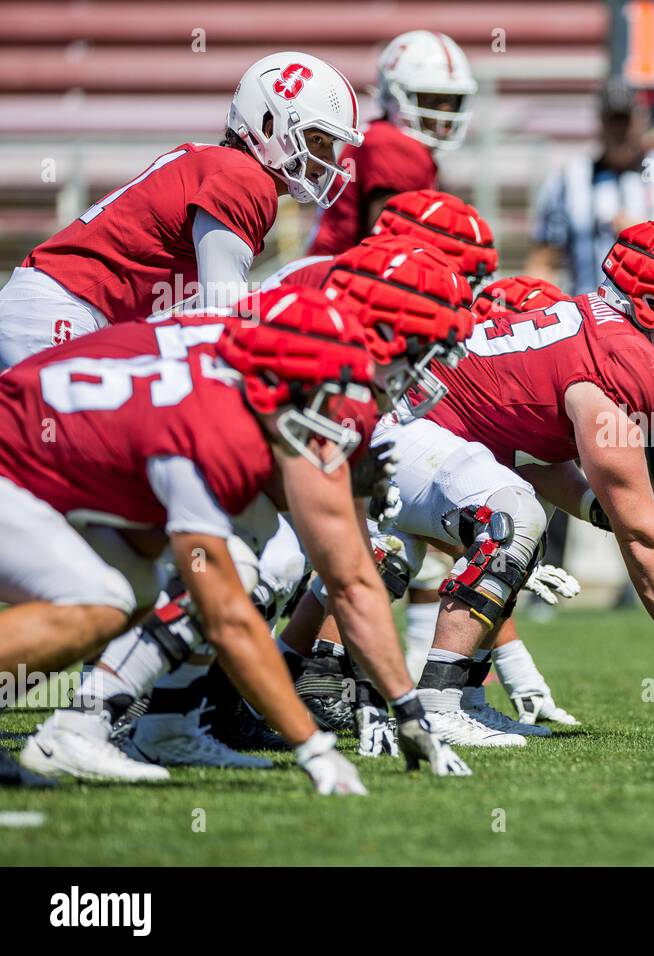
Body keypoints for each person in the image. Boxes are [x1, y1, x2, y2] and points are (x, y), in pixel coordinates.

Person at [297, 220, 654, 746]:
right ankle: (438, 701)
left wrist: (595, 509)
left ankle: (447, 698)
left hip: (403, 428)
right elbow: (642, 536)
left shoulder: (593, 327)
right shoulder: (623, 359)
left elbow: (529, 453)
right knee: (514, 519)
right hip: (394, 426)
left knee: (493, 523)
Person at [3, 288, 467, 789]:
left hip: (39, 470)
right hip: (16, 471)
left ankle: (82, 728)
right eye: (319, 392)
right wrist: (313, 747)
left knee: (137, 586)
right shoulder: (215, 429)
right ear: (272, 380)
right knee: (101, 598)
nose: (333, 415)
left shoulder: (220, 384)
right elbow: (228, 619)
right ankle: (79, 731)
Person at [0, 52, 363, 368]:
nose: (326, 161)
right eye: (318, 140)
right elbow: (223, 315)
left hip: (60, 309)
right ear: (269, 124)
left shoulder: (222, 166)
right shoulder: (244, 180)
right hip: (60, 310)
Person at [526, 81, 654, 603]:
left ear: (639, 120)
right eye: (609, 121)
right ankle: (547, 579)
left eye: (624, 120)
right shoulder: (570, 178)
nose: (617, 131)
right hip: (582, 344)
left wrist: (644, 237)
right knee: (563, 455)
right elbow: (544, 250)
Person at [308, 31, 474, 255]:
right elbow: (391, 249)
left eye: (452, 101)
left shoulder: (379, 135)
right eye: (432, 99)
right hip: (340, 277)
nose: (444, 112)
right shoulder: (392, 145)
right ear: (395, 96)